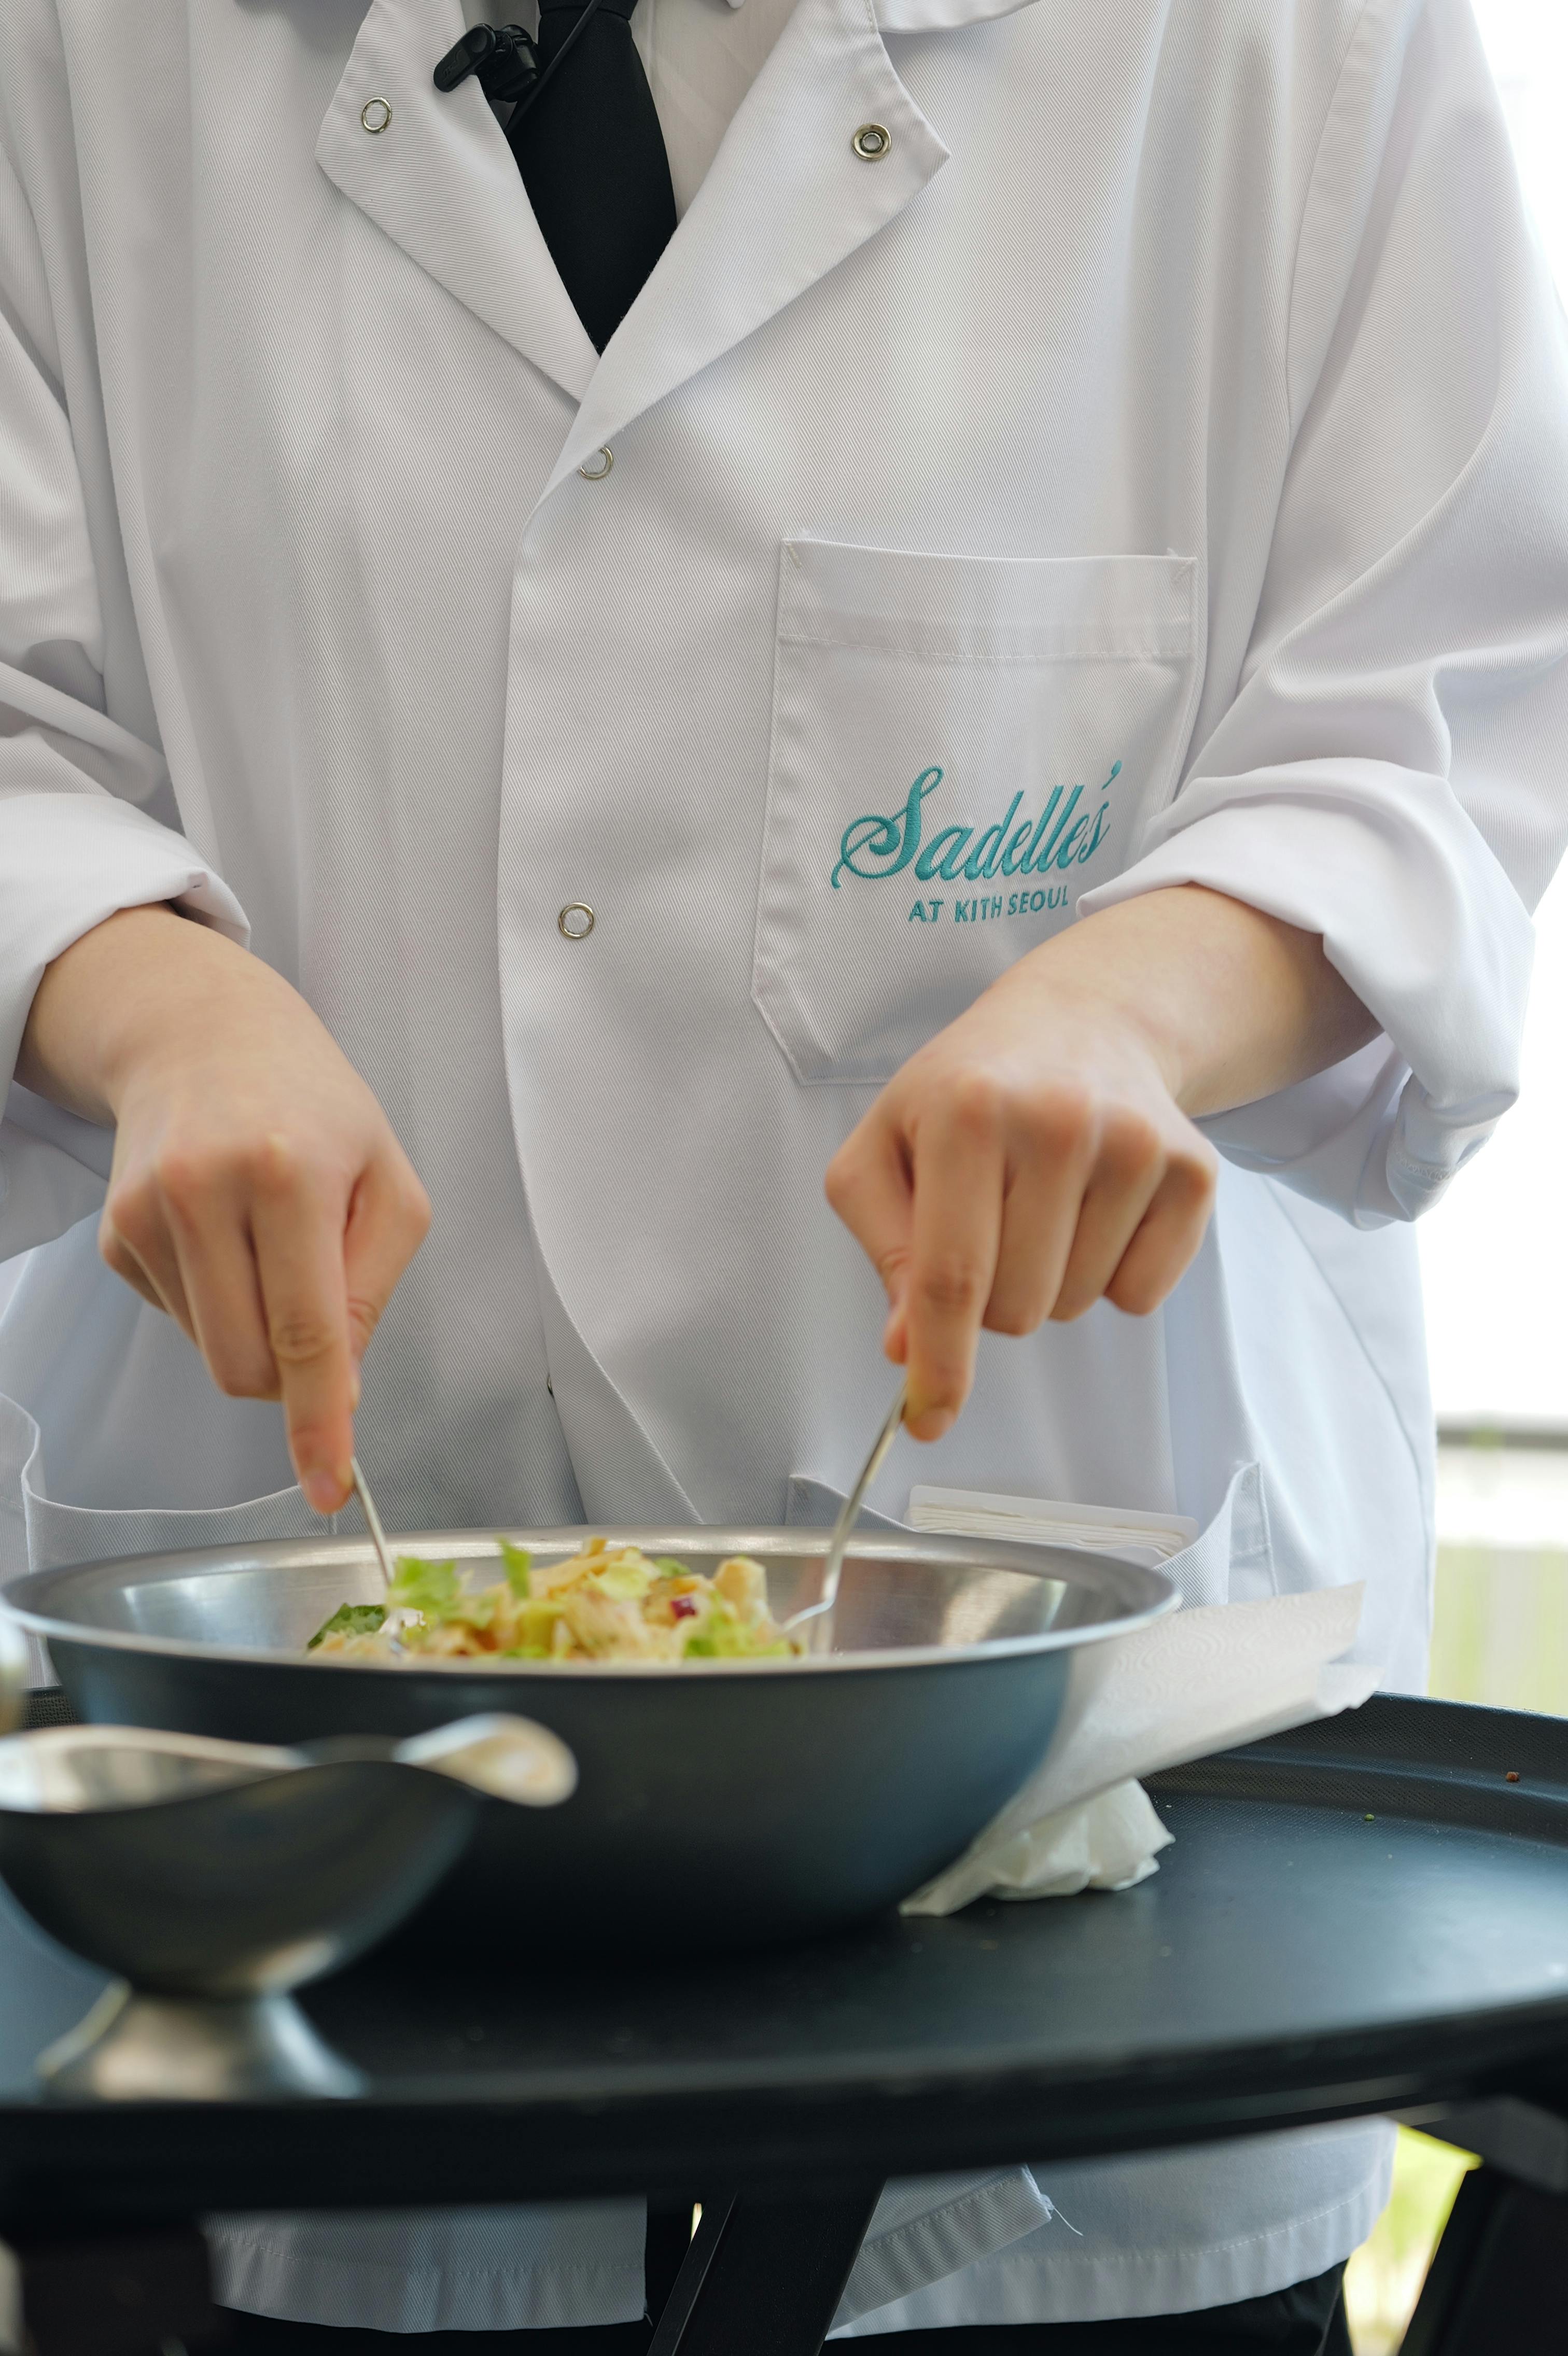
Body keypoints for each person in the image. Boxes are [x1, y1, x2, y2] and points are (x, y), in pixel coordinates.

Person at [3, 0, 1566, 2347]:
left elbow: (1431, 726)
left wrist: (1148, 990)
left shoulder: (1287, 41)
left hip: (1084, 1796)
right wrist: (141, 992)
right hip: (297, 1762)